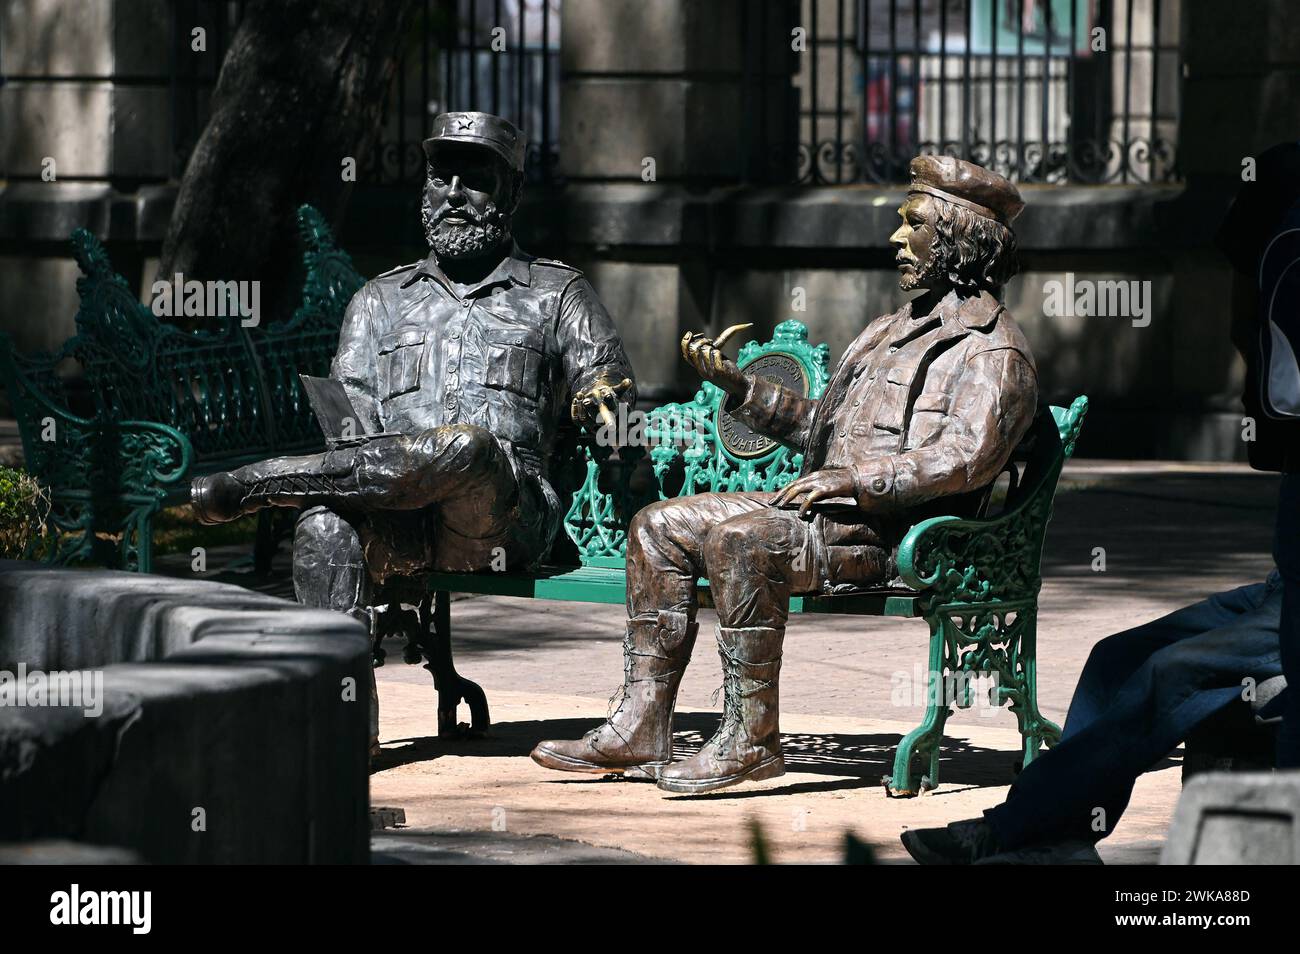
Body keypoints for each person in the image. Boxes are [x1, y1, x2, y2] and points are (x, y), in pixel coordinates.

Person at [532, 156, 1039, 794]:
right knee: (656, 527)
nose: (895, 238)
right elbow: (818, 427)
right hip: (831, 516)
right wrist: (740, 386)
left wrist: (857, 482)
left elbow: (965, 458)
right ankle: (642, 723)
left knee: (740, 540)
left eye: (913, 225)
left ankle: (750, 739)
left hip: (898, 535)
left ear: (960, 240)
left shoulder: (994, 350)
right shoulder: (888, 331)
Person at [902, 142, 1300, 865]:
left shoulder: (1290, 262)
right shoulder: (1284, 250)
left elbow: (1277, 413)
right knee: (1117, 657)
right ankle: (1056, 827)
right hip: (1284, 587)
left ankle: (1020, 827)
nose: (1243, 346)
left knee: (1167, 676)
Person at [190, 112, 636, 753]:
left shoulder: (556, 293)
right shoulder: (378, 301)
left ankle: (258, 484)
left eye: (473, 179)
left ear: (510, 194)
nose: (452, 193)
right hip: (401, 526)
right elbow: (352, 433)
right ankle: (343, 734)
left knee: (469, 448)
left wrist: (600, 403)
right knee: (320, 527)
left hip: (505, 522)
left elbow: (611, 380)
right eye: (439, 177)